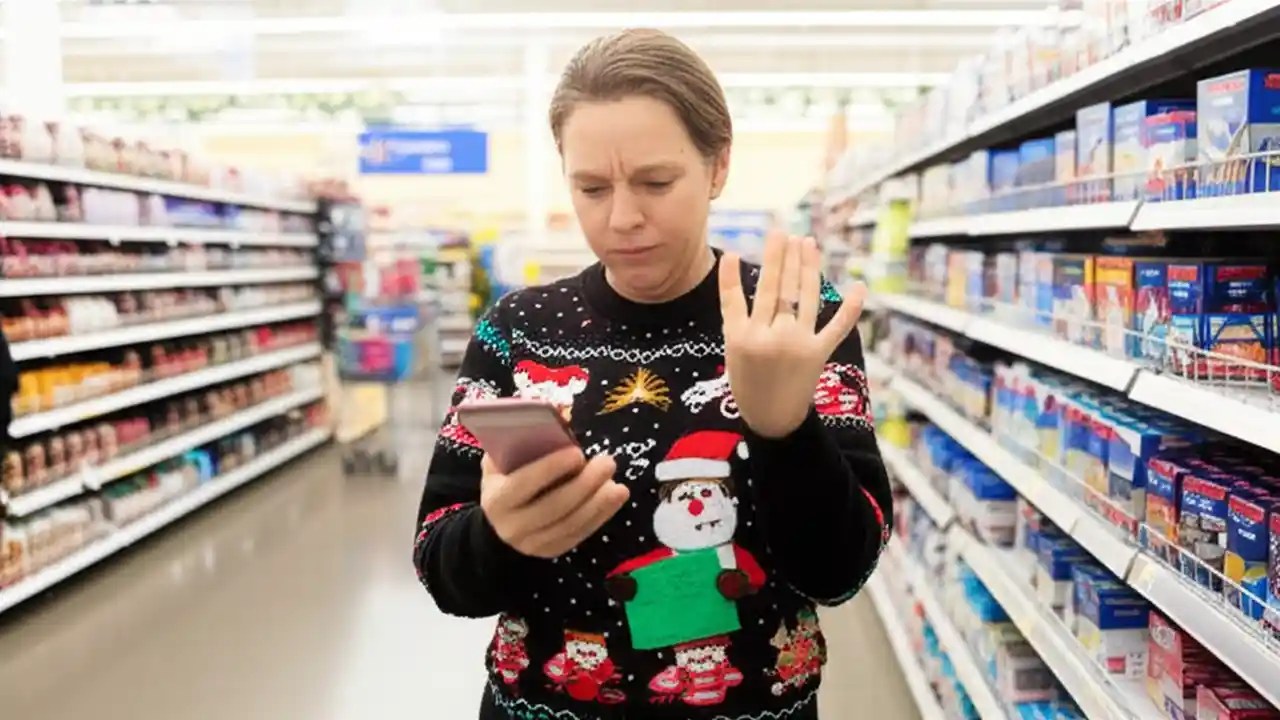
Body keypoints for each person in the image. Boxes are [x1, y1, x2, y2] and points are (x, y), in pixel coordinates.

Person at [413, 28, 891, 720]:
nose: (623, 218)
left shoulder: (793, 320)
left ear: (717, 166)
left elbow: (841, 572)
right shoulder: (518, 330)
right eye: (591, 187)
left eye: (656, 182)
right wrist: (501, 536)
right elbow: (441, 564)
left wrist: (784, 428)